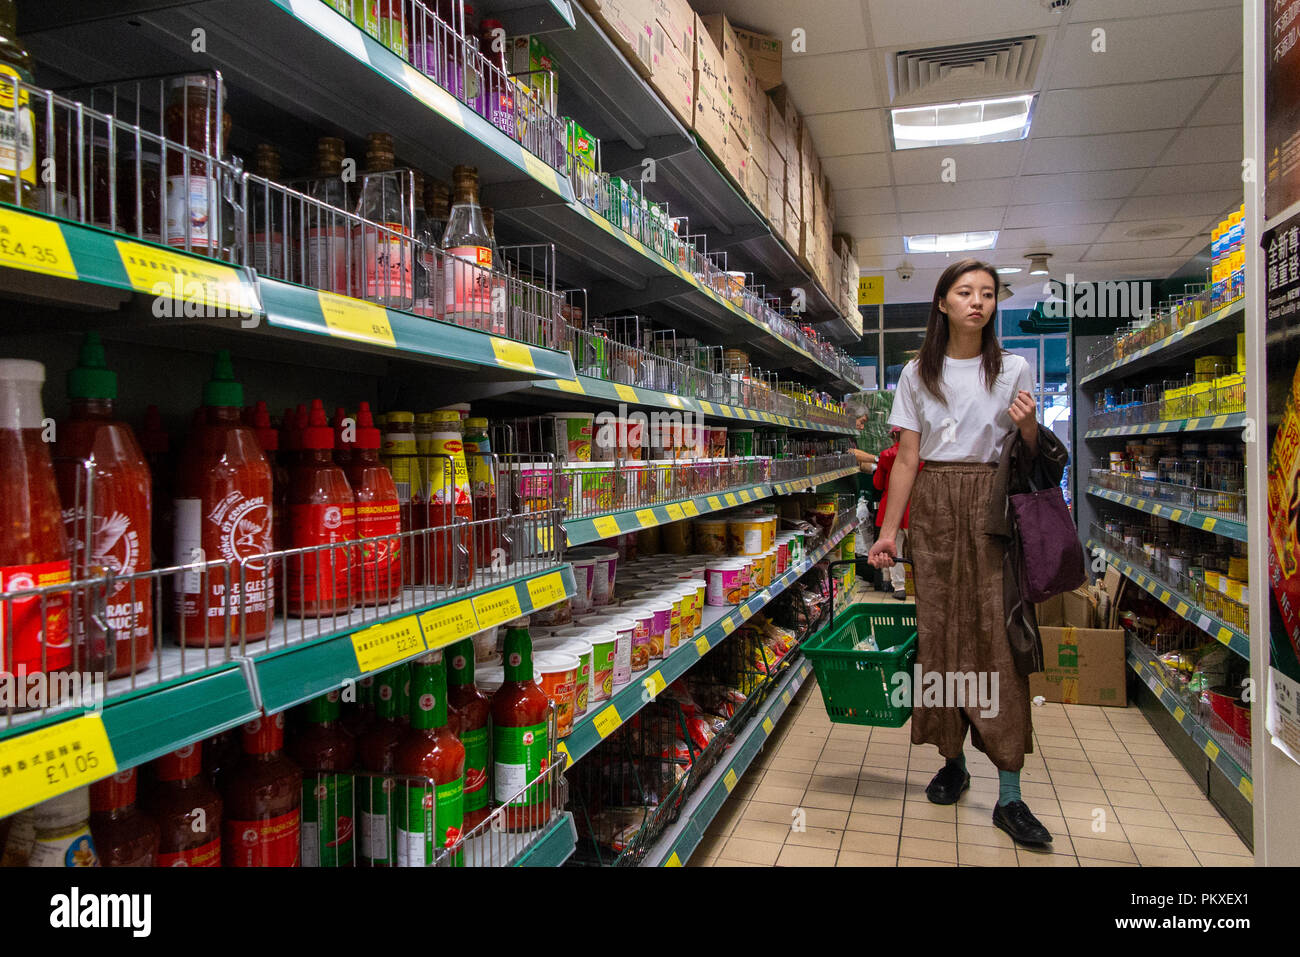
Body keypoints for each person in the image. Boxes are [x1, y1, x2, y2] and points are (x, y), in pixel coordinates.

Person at [866, 258, 1052, 849]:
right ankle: (952, 760)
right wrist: (889, 532)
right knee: (939, 635)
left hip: (992, 506)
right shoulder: (918, 373)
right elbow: (908, 462)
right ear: (942, 302)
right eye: (965, 292)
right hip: (937, 507)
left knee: (998, 640)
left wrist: (1026, 429)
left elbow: (1033, 457)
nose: (979, 301)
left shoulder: (1014, 368)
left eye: (989, 293)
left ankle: (1011, 795)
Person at [873, 426, 917, 600]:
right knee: (919, 549)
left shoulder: (886, 456)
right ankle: (921, 584)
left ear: (893, 436)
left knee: (894, 548)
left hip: (890, 506)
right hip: (914, 506)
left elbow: (878, 484)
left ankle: (899, 587)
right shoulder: (920, 455)